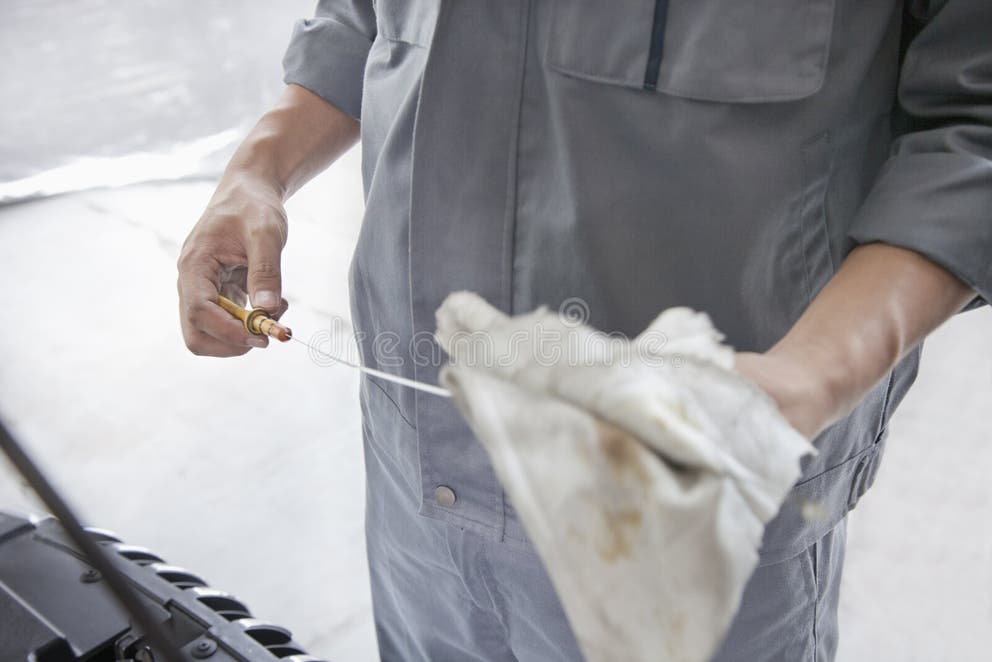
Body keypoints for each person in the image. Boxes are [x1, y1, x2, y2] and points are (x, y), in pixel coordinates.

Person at [177, 2, 991, 660]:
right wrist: (259, 167)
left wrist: (813, 375)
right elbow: (365, 19)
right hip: (415, 473)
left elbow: (974, 128)